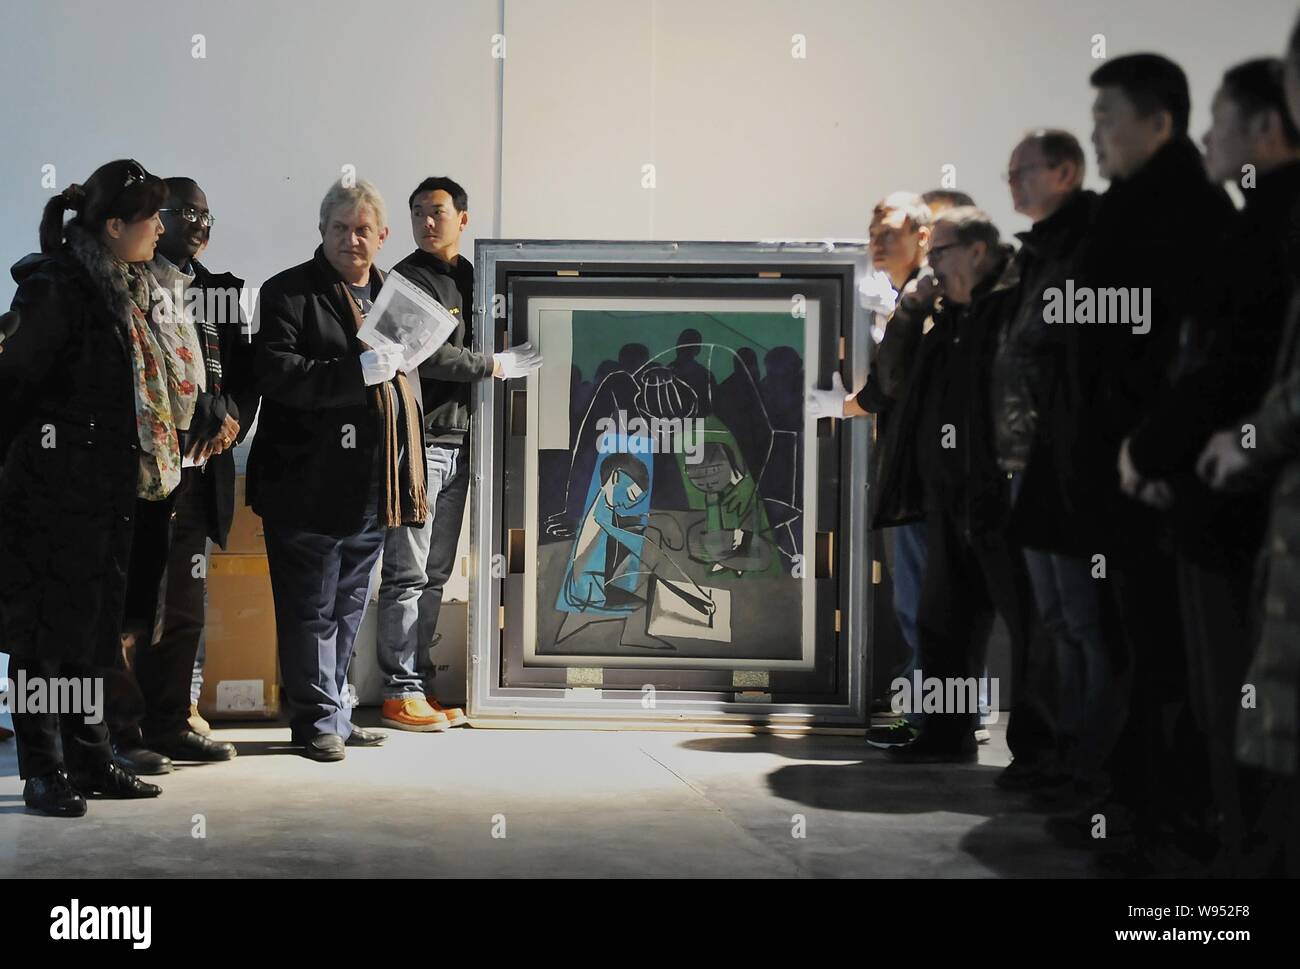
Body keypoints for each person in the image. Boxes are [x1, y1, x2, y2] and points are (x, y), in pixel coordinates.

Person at [1046, 53, 1236, 873]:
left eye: (1108, 118)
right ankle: (1137, 806)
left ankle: (1166, 820)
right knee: (1131, 643)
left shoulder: (1185, 211)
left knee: (1160, 656)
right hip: (1122, 470)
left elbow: (1190, 355)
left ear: (1158, 121)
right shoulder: (1134, 207)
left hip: (1152, 476)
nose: (1097, 133)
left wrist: (1155, 449)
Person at [0, 159, 173, 815]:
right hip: (46, 499)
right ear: (111, 225)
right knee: (42, 642)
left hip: (99, 501)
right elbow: (12, 387)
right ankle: (42, 769)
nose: (160, 227)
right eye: (149, 217)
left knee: (88, 636)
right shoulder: (55, 286)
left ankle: (91, 755)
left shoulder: (119, 285)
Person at [247, 178, 425, 761]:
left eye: (363, 230)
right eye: (340, 229)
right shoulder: (287, 292)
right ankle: (314, 721)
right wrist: (355, 372)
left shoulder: (395, 298)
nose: (352, 239)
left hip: (374, 485)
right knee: (311, 608)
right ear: (321, 232)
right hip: (306, 484)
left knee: (350, 605)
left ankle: (337, 712)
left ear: (382, 236)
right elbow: (276, 375)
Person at [871, 207, 1053, 767]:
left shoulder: (1017, 306)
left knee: (1029, 626)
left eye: (940, 254)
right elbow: (889, 384)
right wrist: (909, 314)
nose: (931, 266)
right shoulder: (941, 314)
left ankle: (1036, 753)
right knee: (942, 623)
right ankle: (943, 735)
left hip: (1002, 490)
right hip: (944, 496)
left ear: (977, 252)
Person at [375, 176, 540, 731]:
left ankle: (418, 681)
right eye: (418, 211)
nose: (427, 221)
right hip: (419, 447)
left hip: (467, 444)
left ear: (462, 219)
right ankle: (399, 690)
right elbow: (425, 357)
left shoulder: (478, 277)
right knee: (408, 573)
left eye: (438, 211)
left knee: (437, 574)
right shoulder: (404, 279)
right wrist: (491, 365)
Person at [1195, 29, 1300, 878]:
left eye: (1218, 123)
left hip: (1246, 503)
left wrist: (1240, 445)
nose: (1208, 140)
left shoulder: (1269, 224)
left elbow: (1239, 370)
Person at [109, 177, 258, 771]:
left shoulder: (219, 291)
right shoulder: (126, 285)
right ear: (153, 218)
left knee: (186, 607)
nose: (198, 224)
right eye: (184, 212)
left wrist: (231, 417)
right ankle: (122, 731)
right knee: (133, 612)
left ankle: (170, 722)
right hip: (140, 478)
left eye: (206, 216)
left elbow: (246, 375)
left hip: (198, 475)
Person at [989, 130, 1114, 797]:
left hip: (1067, 464)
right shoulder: (1036, 255)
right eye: (1007, 174)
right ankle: (1067, 757)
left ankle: (1091, 767)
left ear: (1065, 171)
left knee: (1081, 621)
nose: (1013, 184)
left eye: (1023, 172)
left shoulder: (1086, 243)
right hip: (1029, 465)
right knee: (1057, 621)